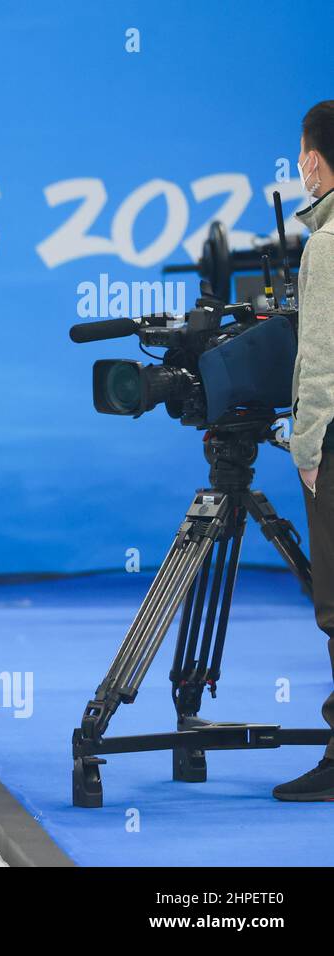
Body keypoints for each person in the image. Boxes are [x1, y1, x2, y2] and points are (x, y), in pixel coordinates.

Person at [277, 99, 334, 802]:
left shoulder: (326, 244)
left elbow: (320, 360)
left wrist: (306, 444)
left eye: (301, 151)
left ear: (316, 159)